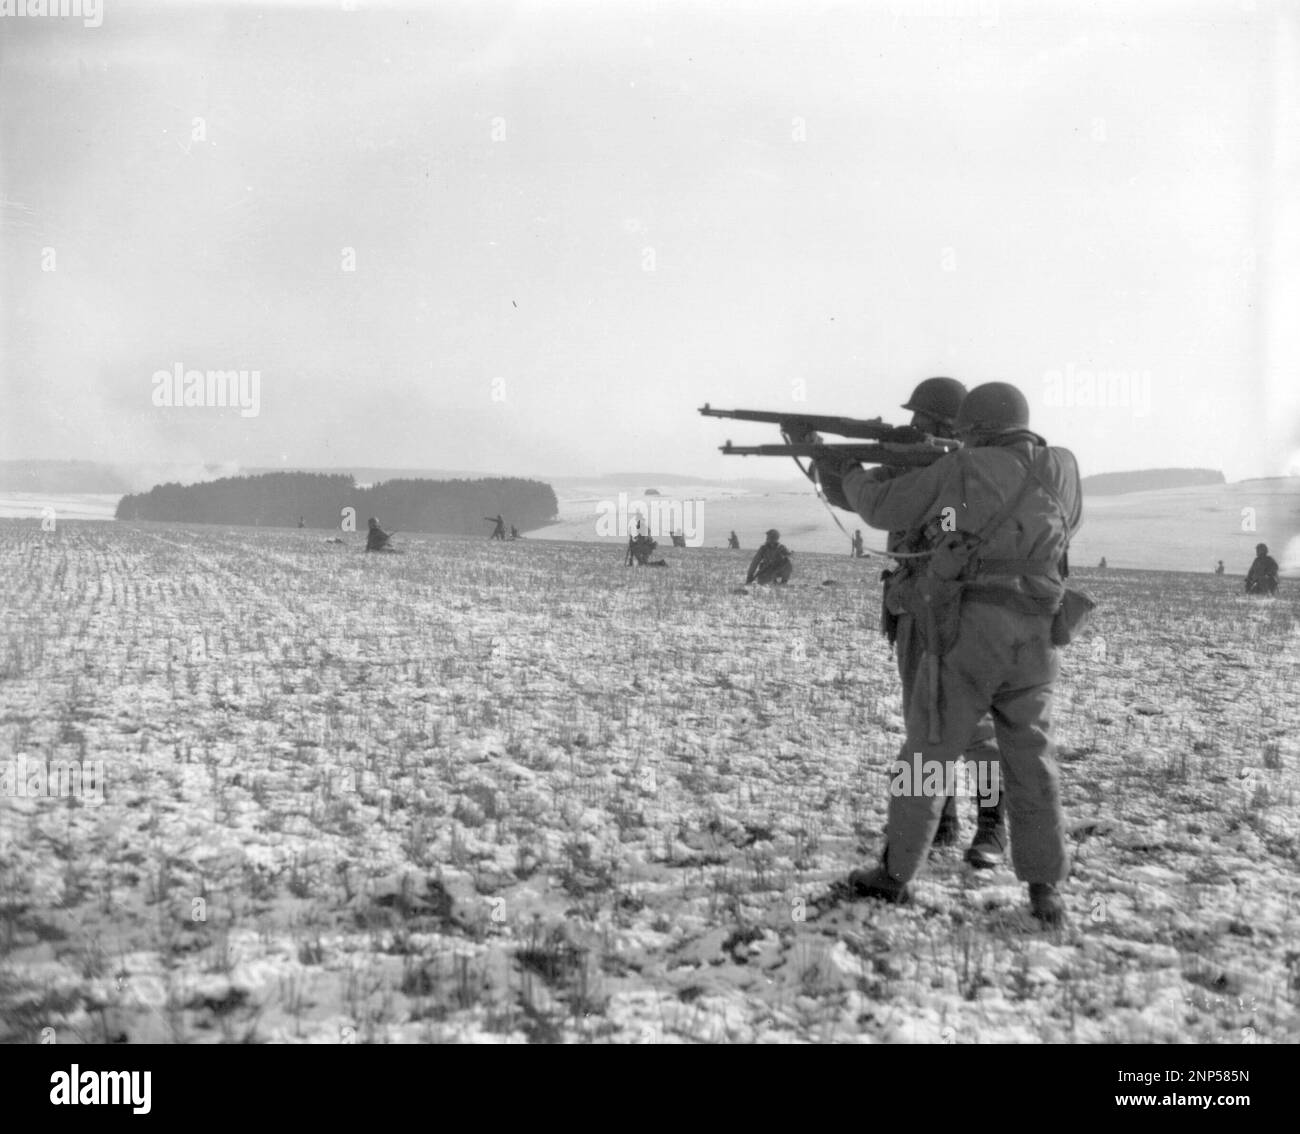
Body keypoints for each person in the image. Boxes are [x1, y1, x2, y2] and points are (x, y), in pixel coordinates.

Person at [811, 381, 1082, 926]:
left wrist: (848, 472)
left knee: (927, 750)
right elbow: (1065, 526)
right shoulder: (1063, 467)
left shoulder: (960, 468)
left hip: (968, 626)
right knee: (1031, 756)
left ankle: (895, 874)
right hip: (1037, 631)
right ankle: (1044, 892)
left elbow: (880, 505)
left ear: (974, 428)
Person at [802, 376, 1005, 866]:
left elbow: (949, 519)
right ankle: (940, 821)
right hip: (913, 606)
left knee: (977, 728)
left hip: (963, 609)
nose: (913, 426)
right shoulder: (913, 467)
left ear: (950, 426)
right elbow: (859, 497)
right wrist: (822, 455)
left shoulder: (971, 473)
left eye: (923, 420)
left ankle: (993, 827)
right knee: (923, 724)